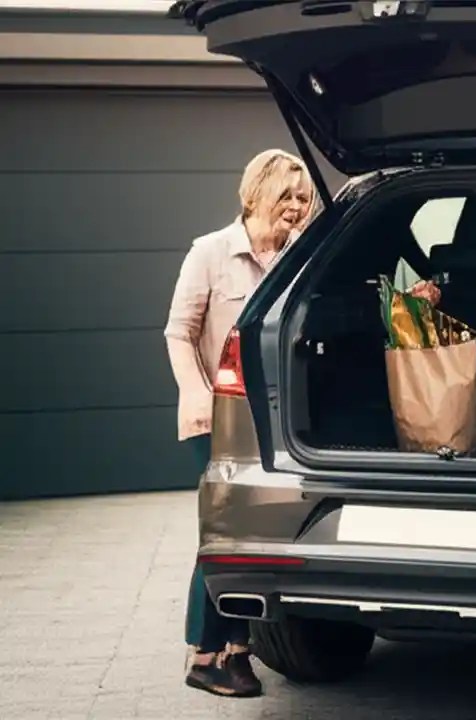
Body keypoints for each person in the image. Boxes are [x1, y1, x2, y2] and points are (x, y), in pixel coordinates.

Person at [164, 148, 316, 697]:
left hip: (280, 424)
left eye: (303, 199)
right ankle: (206, 655)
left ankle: (238, 651)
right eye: (288, 197)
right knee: (224, 533)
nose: (298, 208)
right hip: (217, 416)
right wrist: (196, 392)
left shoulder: (300, 257)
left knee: (258, 534)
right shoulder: (210, 252)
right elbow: (178, 332)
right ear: (256, 194)